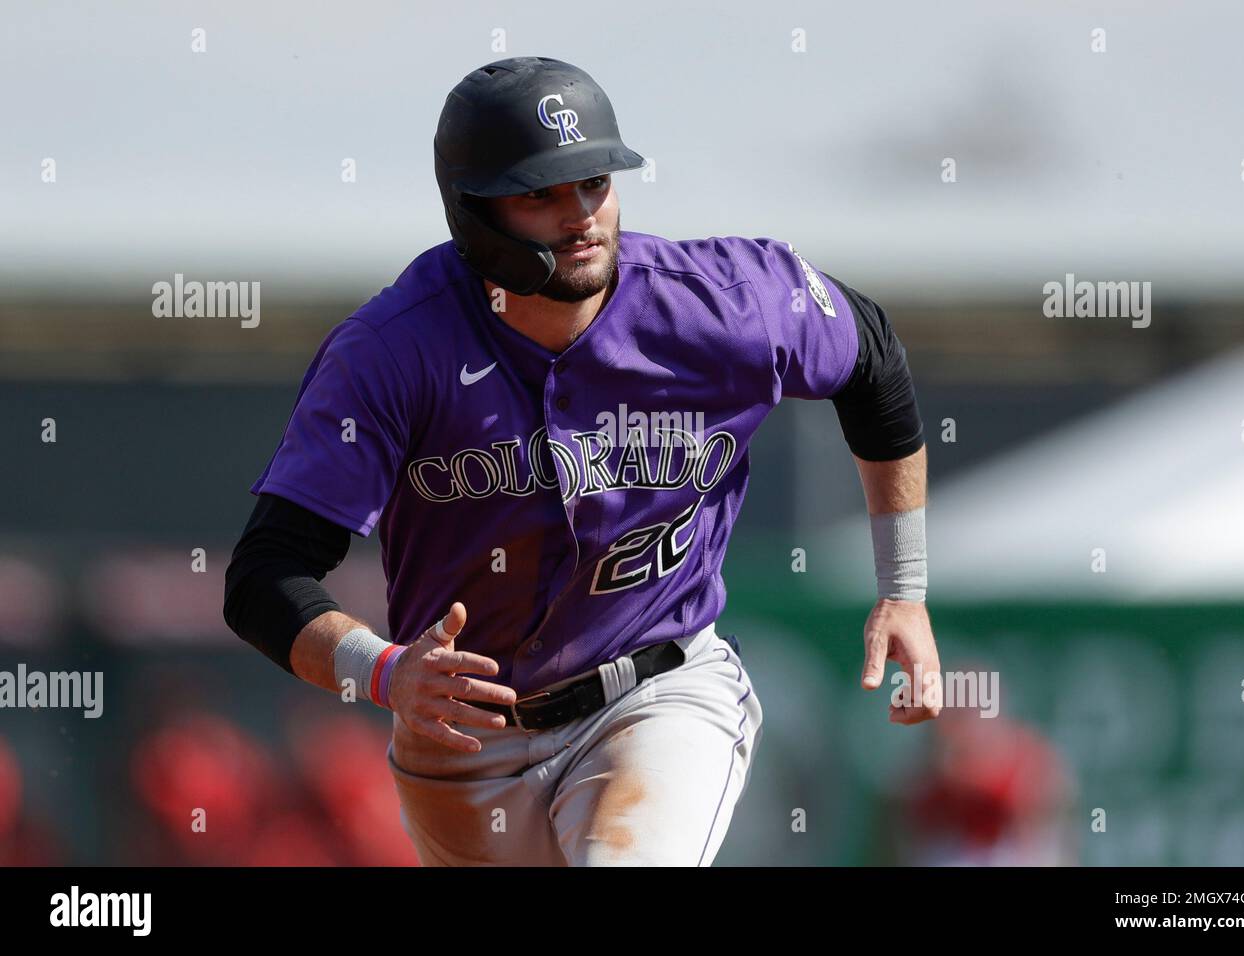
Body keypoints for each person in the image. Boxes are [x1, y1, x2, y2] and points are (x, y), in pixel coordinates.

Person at [224, 55, 941, 866]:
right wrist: (384, 671)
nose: (581, 216)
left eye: (595, 182)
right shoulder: (393, 353)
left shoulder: (721, 303)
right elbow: (264, 578)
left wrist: (904, 589)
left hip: (658, 693)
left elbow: (871, 355)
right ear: (475, 211)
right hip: (466, 743)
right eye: (542, 193)